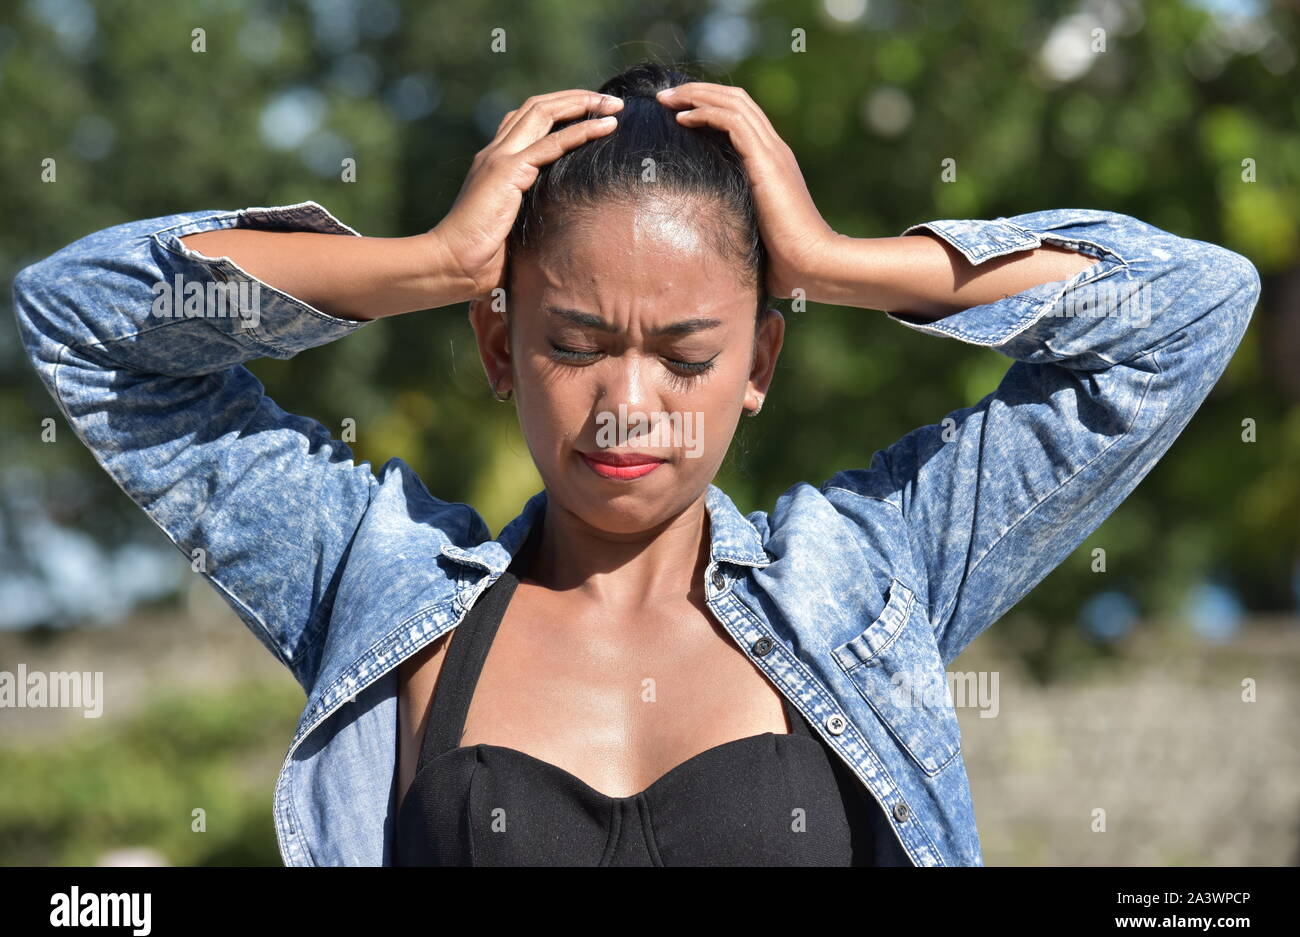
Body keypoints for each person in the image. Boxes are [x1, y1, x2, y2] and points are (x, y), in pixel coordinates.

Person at [12, 61, 1260, 866]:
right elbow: (83, 318)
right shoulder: (373, 582)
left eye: (685, 353)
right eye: (573, 343)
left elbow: (1187, 306)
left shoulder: (869, 580)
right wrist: (432, 263)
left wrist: (836, 261)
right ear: (499, 345)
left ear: (761, 358)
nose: (627, 405)